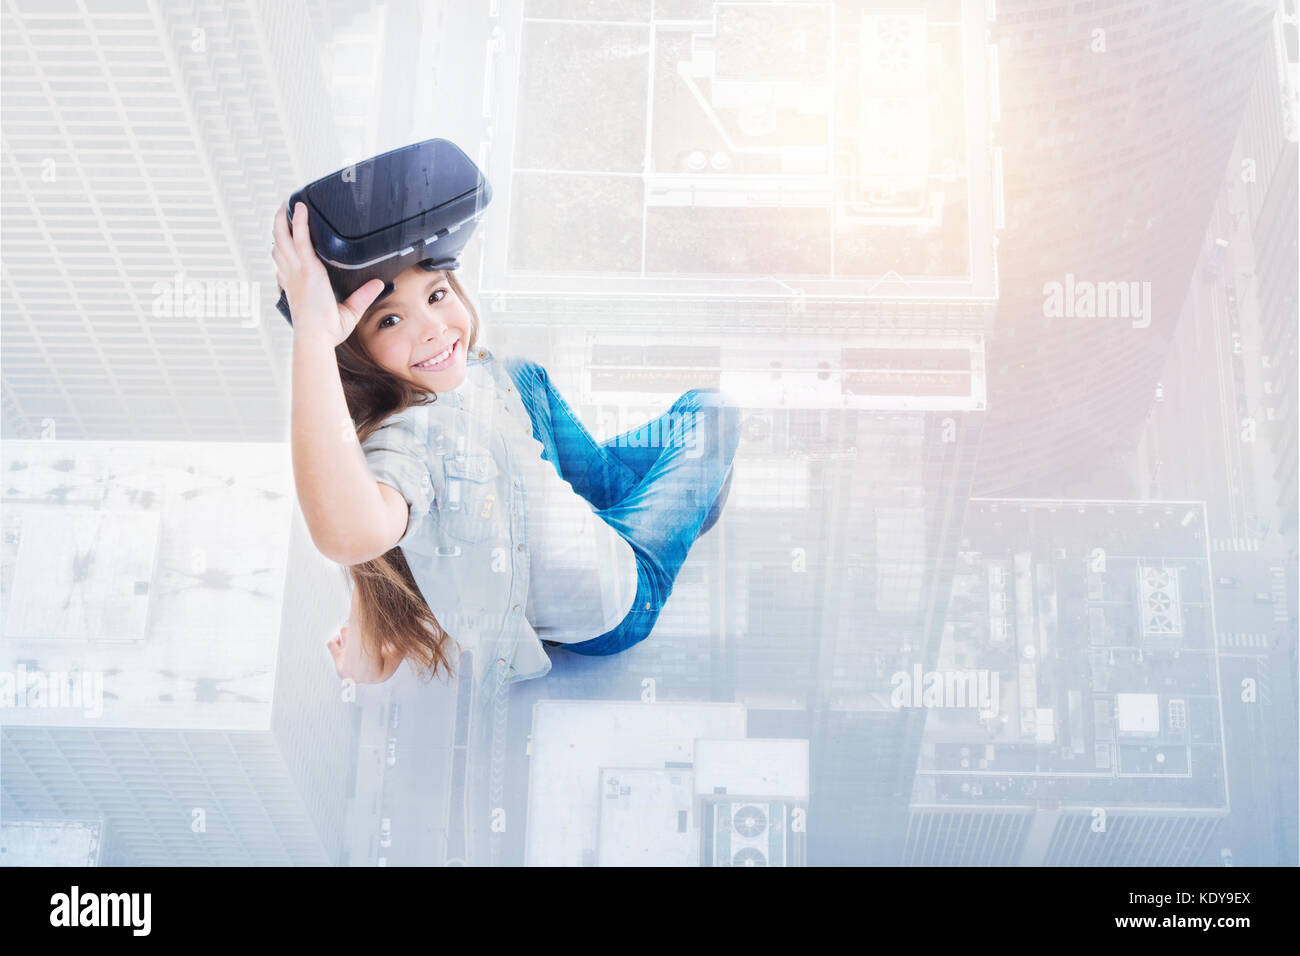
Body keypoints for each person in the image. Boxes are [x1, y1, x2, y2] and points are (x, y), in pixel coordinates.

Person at [273, 200, 739, 689]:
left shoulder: (464, 384)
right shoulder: (404, 444)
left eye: (436, 295)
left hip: (569, 523)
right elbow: (352, 537)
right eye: (389, 321)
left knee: (514, 373)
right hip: (622, 598)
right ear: (355, 357)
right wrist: (313, 335)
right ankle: (681, 510)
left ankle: (650, 503)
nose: (432, 328)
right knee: (711, 412)